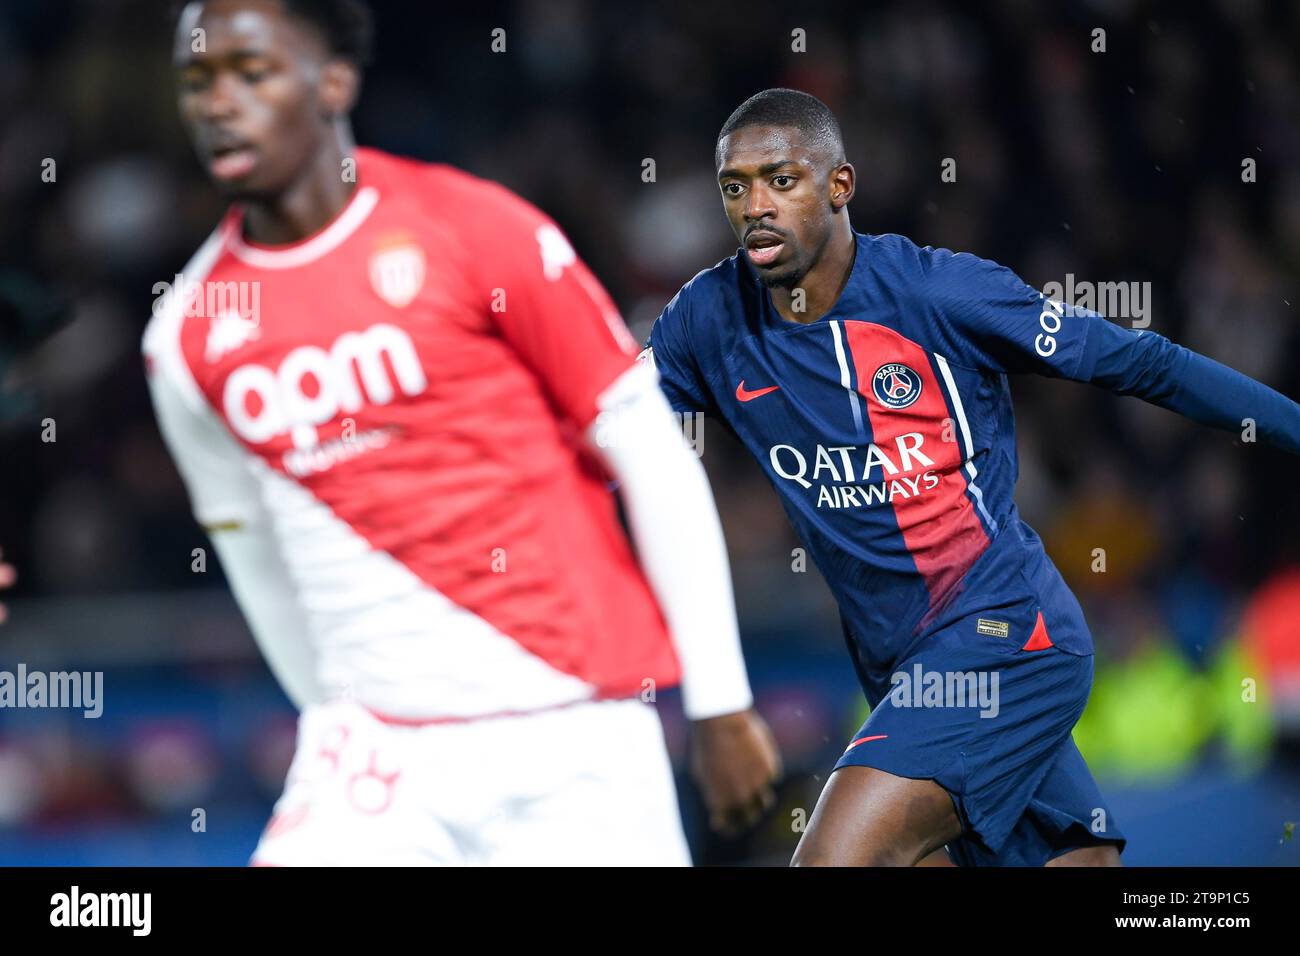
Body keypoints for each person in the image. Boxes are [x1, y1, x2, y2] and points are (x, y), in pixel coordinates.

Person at [145, 0, 779, 865]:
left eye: (249, 73)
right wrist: (329, 705)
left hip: (570, 737)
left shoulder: (475, 228)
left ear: (334, 79)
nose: (217, 103)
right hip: (376, 759)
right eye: (196, 81)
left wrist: (720, 700)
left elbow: (651, 454)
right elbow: (248, 550)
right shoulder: (183, 336)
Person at [643, 87, 1300, 866]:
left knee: (833, 860)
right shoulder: (705, 322)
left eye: (781, 179)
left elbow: (1138, 361)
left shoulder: (940, 293)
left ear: (839, 185)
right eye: (735, 185)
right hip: (905, 669)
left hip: (1008, 636)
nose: (756, 204)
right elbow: (612, 432)